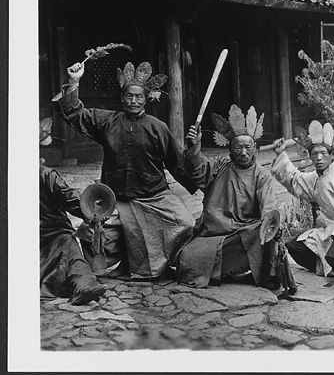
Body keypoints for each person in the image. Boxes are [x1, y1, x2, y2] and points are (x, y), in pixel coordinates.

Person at [52, 60, 195, 280]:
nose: (134, 100)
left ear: (146, 99)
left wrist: (196, 156)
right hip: (115, 199)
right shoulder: (108, 122)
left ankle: (163, 263)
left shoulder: (158, 127)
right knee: (90, 232)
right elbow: (77, 114)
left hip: (152, 196)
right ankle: (115, 265)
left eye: (139, 96)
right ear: (122, 98)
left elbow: (178, 162)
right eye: (129, 96)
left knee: (185, 222)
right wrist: (74, 80)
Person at [175, 105, 290, 290]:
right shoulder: (220, 166)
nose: (243, 152)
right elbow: (197, 171)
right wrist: (194, 147)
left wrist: (270, 225)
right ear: (230, 148)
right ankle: (222, 270)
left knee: (262, 235)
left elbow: (269, 206)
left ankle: (230, 270)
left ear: (254, 148)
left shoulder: (262, 176)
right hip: (214, 232)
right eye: (238, 147)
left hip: (243, 232)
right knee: (187, 258)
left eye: (247, 147)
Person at [270, 120, 334, 303]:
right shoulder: (313, 179)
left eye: (323, 153)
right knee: (295, 246)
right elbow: (294, 180)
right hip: (331, 230)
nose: (318, 158)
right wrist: (281, 154)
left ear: (331, 156)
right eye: (314, 154)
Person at [40, 159, 107, 305]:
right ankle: (83, 286)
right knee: (72, 251)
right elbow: (68, 197)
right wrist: (93, 210)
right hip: (52, 230)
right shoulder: (45, 174)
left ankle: (83, 286)